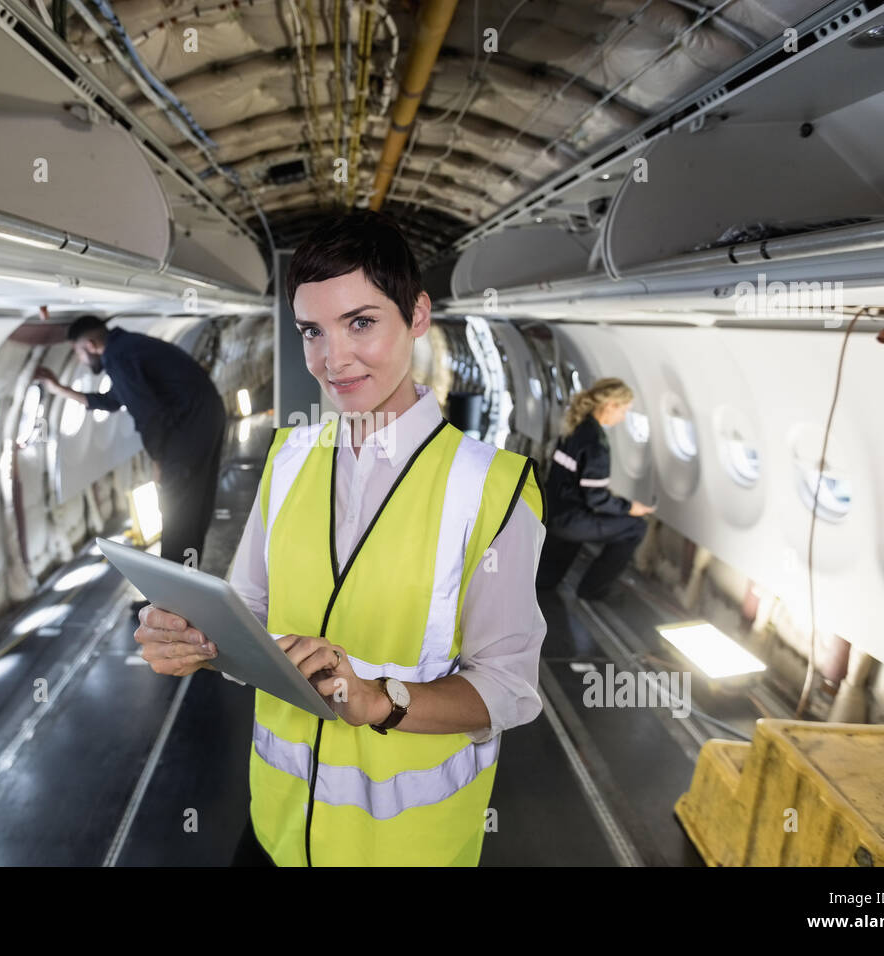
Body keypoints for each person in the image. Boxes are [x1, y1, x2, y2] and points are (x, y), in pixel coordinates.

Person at [132, 211, 548, 866]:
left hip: (407, 848)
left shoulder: (493, 489)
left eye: (360, 323)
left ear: (416, 316)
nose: (334, 359)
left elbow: (509, 689)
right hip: (276, 824)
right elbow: (251, 617)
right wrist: (195, 642)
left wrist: (379, 701)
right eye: (312, 332)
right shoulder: (289, 457)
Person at [34, 316, 228, 604]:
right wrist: (59, 389)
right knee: (192, 514)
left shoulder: (119, 356)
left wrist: (158, 461)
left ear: (90, 344)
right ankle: (185, 592)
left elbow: (150, 415)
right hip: (203, 423)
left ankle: (171, 605)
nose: (80, 359)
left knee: (179, 518)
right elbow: (112, 401)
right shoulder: (127, 347)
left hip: (187, 432)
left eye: (77, 352)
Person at [534, 377, 655, 600]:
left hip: (551, 512)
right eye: (624, 410)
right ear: (610, 405)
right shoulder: (596, 444)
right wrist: (630, 507)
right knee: (635, 527)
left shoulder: (574, 427)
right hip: (568, 521)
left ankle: (545, 578)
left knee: (545, 581)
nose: (623, 417)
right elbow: (596, 499)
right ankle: (593, 590)